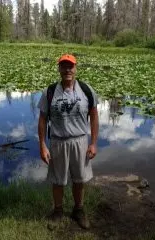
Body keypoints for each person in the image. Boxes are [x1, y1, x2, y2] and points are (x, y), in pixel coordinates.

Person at [38, 54, 99, 229]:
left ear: (76, 68)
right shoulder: (49, 92)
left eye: (70, 66)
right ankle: (57, 211)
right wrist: (42, 145)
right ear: (58, 69)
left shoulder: (87, 90)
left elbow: (94, 117)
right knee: (58, 180)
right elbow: (42, 119)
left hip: (80, 141)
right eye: (63, 66)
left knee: (79, 180)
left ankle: (78, 210)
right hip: (57, 142)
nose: (67, 70)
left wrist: (93, 143)